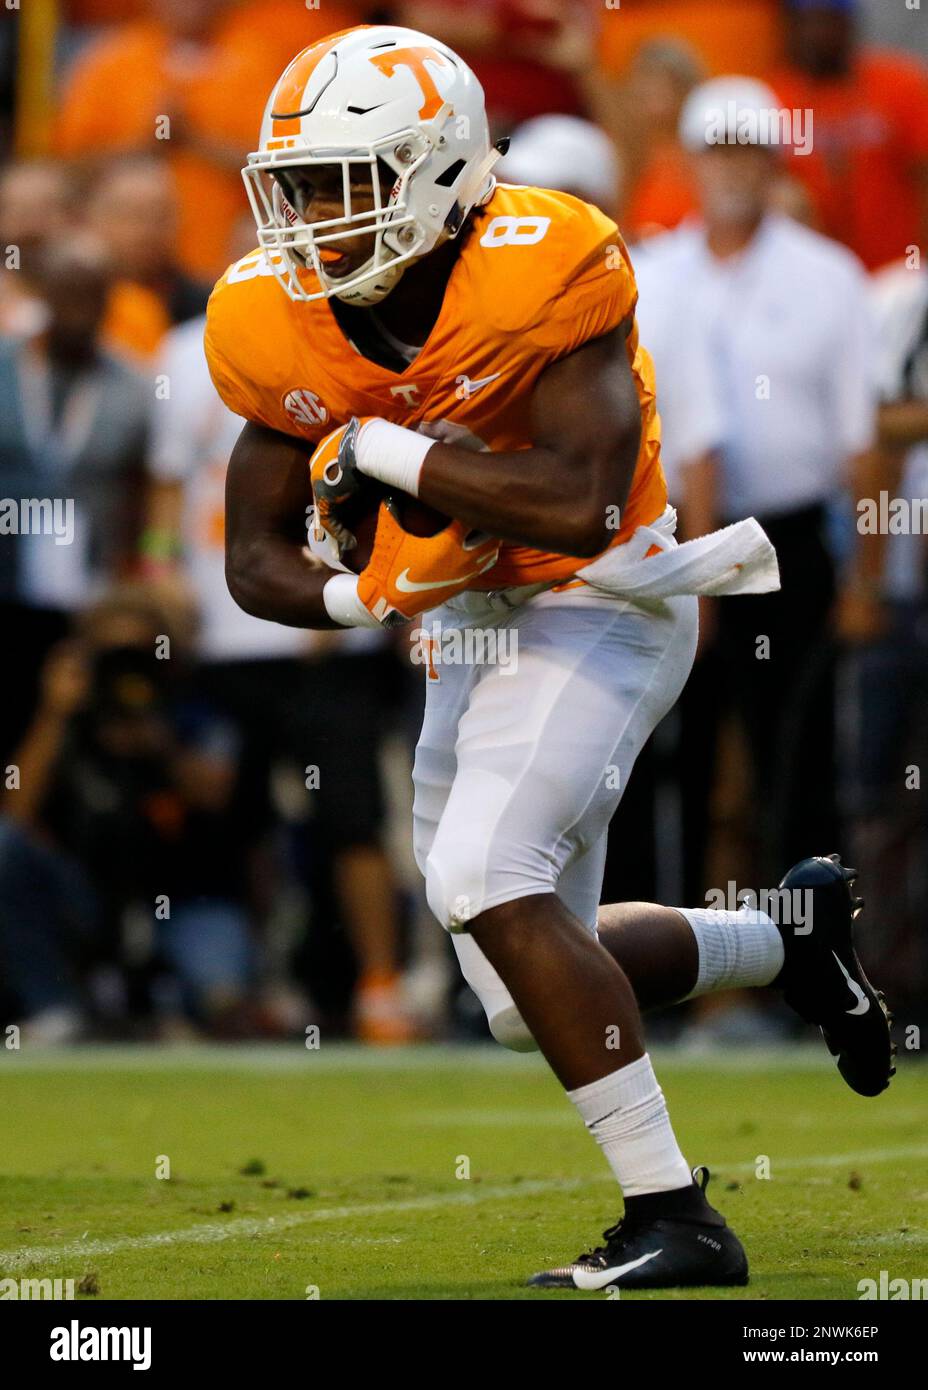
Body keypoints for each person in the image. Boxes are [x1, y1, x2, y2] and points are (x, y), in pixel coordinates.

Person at [205, 25, 892, 1293]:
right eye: (296, 186)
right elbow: (252, 562)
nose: (312, 219)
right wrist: (367, 591)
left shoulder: (547, 256)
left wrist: (389, 453)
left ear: (442, 169)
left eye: (345, 184)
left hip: (600, 598)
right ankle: (783, 941)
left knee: (482, 871)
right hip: (468, 628)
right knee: (526, 990)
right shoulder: (270, 314)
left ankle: (676, 1215)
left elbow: (578, 502)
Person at [0, 234, 149, 766]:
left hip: (88, 599)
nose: (79, 314)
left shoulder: (133, 389)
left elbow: (144, 497)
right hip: (7, 581)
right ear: (44, 295)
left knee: (75, 746)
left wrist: (142, 572)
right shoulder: (4, 367)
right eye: (68, 297)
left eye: (93, 299)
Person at [768, 0, 928, 271]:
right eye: (808, 22)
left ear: (848, 24)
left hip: (900, 275)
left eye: (827, 20)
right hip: (811, 277)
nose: (817, 34)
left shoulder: (899, 83)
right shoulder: (772, 96)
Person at [85, 155, 211, 362]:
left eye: (159, 216)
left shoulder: (206, 309)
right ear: (93, 218)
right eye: (130, 215)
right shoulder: (74, 306)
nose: (146, 229)